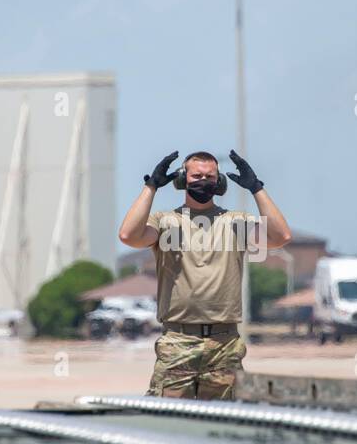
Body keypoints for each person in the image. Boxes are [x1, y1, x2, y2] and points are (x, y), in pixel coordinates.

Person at [118, 150, 292, 400]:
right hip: (178, 340)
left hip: (225, 343)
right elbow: (129, 235)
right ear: (181, 180)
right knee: (167, 422)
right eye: (196, 175)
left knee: (223, 425)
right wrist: (151, 186)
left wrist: (256, 188)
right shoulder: (166, 221)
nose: (203, 181)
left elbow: (281, 237)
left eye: (210, 176)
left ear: (219, 183)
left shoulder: (235, 222)